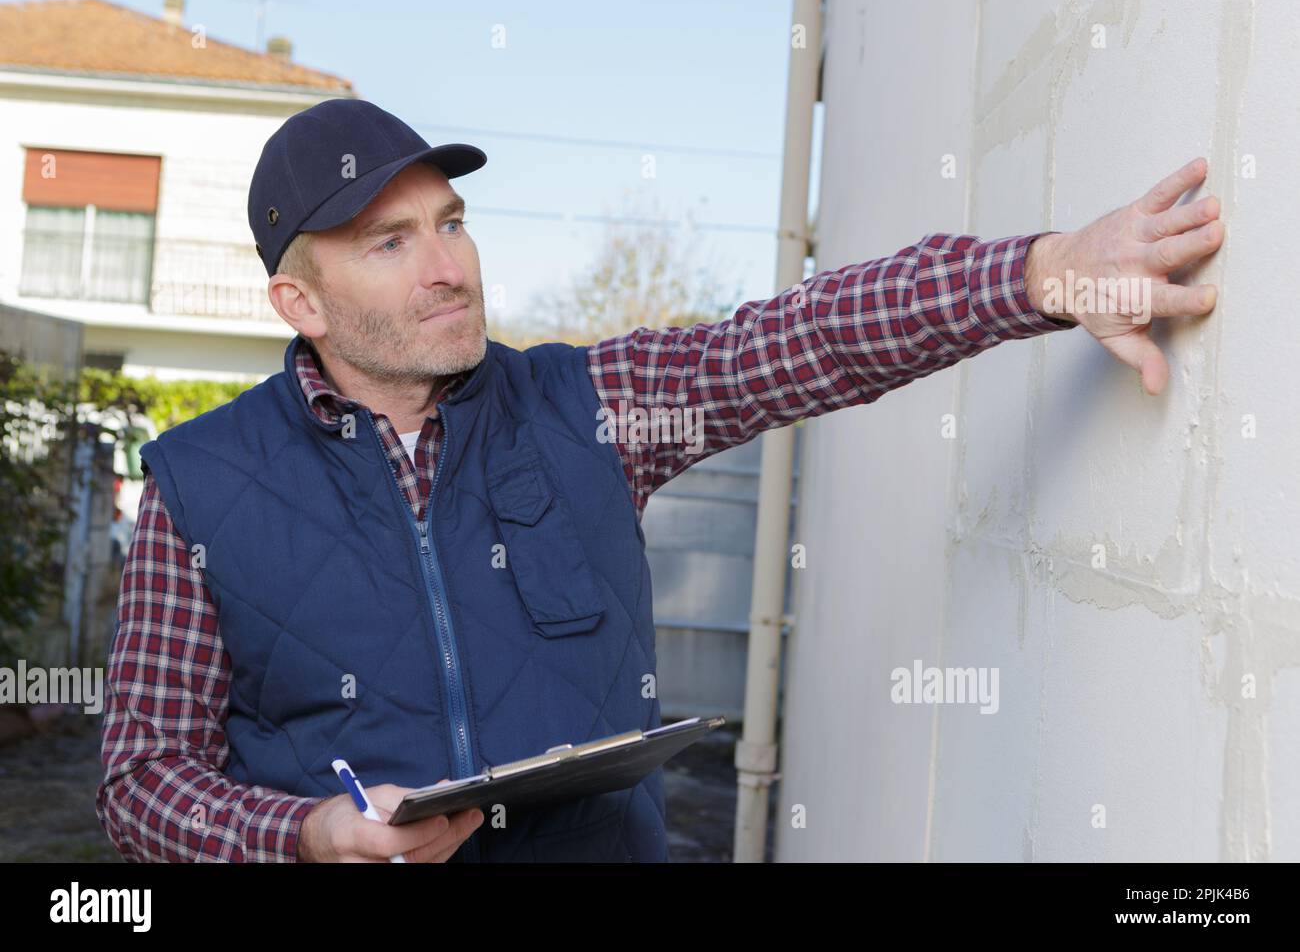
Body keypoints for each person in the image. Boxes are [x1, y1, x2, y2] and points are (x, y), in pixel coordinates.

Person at [95, 98, 1224, 862]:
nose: (449, 266)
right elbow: (141, 778)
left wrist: (1032, 276)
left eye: (450, 222)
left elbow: (795, 341)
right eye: (388, 243)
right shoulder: (200, 484)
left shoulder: (586, 405)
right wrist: (306, 833)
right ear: (301, 302)